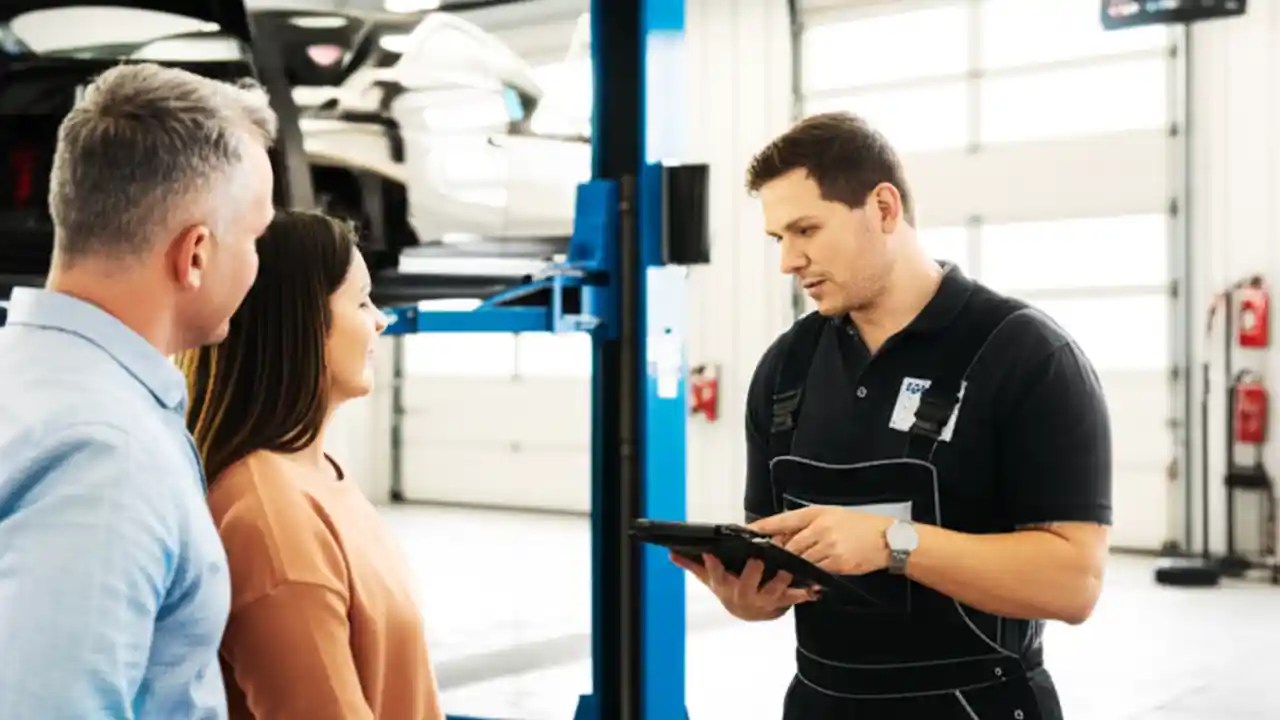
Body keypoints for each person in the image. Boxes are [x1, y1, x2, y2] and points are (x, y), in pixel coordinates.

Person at [671, 112, 1111, 719]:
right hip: (820, 703)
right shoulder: (785, 371)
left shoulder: (1025, 355)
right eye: (779, 239)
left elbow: (1074, 584)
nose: (789, 262)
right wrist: (751, 597)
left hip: (974, 706)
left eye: (807, 229)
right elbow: (775, 558)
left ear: (883, 208)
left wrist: (892, 544)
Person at [0, 63, 276, 718]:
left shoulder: (33, 383)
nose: (259, 261)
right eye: (258, 236)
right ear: (197, 254)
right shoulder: (108, 455)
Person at [176, 209, 445, 720]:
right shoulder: (273, 521)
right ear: (302, 322)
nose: (380, 318)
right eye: (362, 300)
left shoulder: (317, 476)